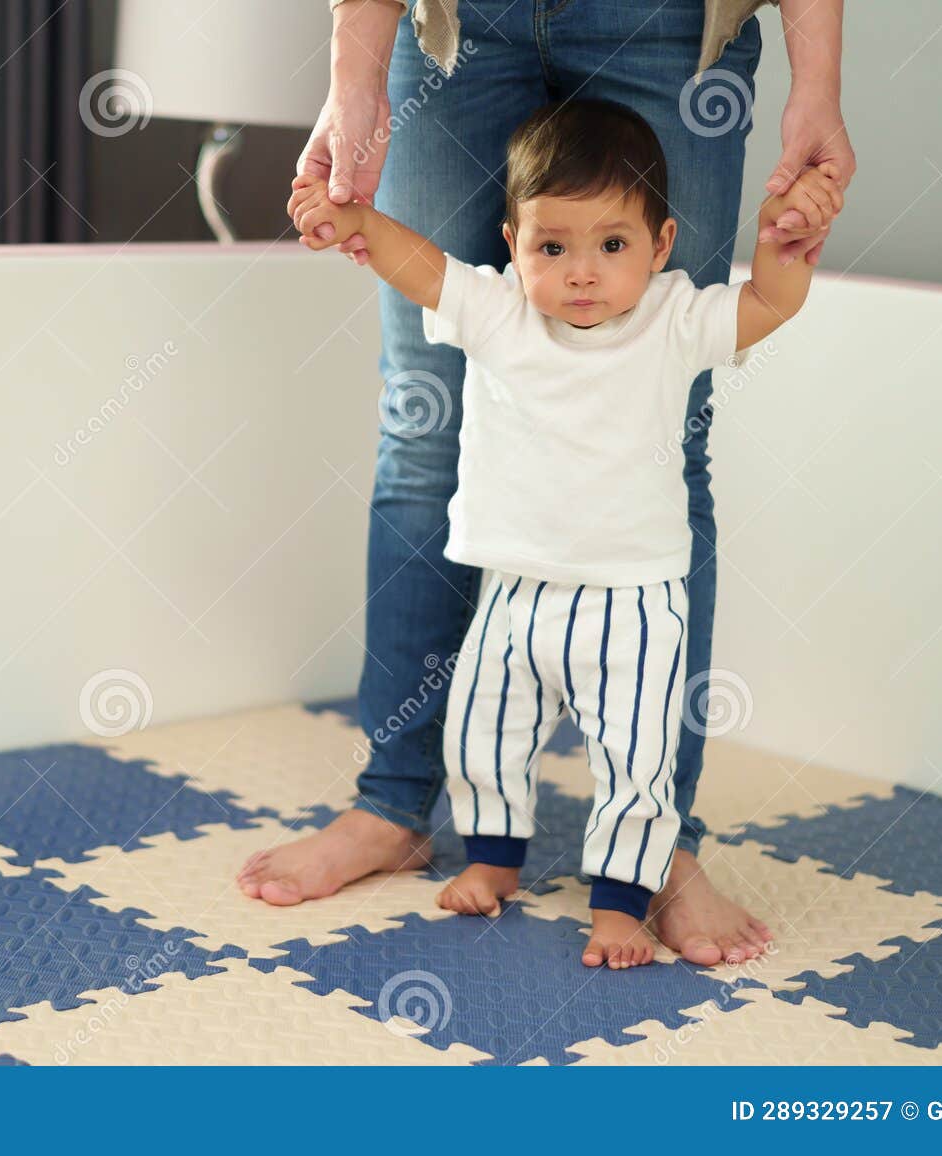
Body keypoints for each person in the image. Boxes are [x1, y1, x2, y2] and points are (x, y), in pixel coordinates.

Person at [238, 0, 855, 967]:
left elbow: (765, 304)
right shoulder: (495, 305)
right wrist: (353, 101)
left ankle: (662, 851)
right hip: (454, 22)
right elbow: (424, 267)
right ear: (516, 245)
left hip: (672, 24)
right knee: (420, 436)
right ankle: (392, 806)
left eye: (613, 248)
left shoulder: (676, 311)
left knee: (671, 443)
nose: (580, 273)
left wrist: (816, 100)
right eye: (554, 249)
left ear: (657, 248)